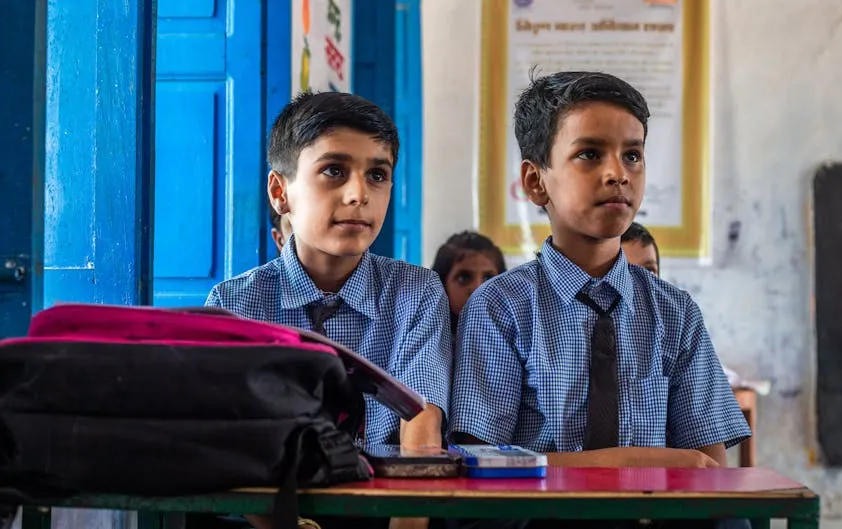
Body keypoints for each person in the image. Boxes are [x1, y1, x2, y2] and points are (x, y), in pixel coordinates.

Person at [448, 71, 751, 529]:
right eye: (589, 154)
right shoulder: (500, 307)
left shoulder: (675, 313)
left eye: (633, 155)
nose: (618, 174)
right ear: (535, 182)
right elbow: (483, 466)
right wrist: (633, 461)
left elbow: (706, 472)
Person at [206, 91, 451, 529]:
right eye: (334, 171)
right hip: (267, 515)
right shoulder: (235, 305)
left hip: (383, 510)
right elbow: (236, 439)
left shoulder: (417, 291)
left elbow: (421, 416)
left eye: (378, 175)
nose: (359, 194)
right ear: (281, 192)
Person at [431, 231, 507, 333]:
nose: (477, 288)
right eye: (464, 278)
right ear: (443, 284)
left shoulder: (512, 339)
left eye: (488, 279)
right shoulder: (427, 339)